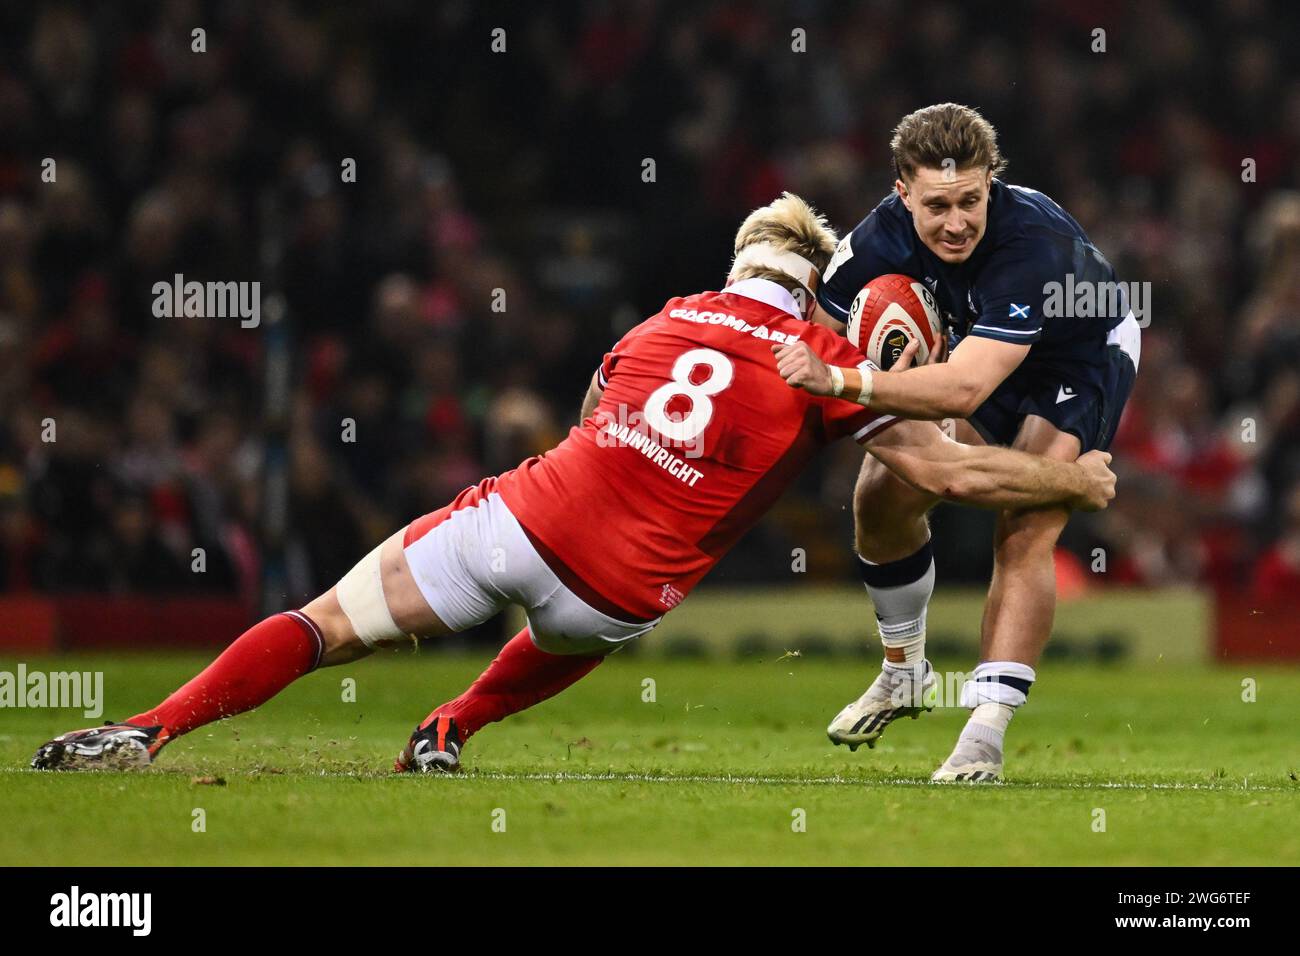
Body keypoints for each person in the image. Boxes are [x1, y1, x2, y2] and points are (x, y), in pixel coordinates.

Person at [31, 192, 1115, 773]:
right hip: (621, 595)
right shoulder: (822, 367)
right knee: (568, 628)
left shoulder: (655, 320)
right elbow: (947, 470)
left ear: (737, 261)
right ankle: (451, 726)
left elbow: (598, 420)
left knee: (324, 623)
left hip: (525, 520)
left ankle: (151, 728)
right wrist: (1068, 480)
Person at [773, 103, 1140, 782]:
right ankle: (905, 673)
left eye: (971, 200)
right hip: (979, 349)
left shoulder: (1031, 244)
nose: (957, 222)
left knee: (1025, 518)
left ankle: (984, 735)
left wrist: (850, 382)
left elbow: (965, 389)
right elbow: (810, 333)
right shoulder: (875, 240)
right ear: (901, 192)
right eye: (937, 205)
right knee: (881, 496)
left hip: (1077, 358)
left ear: (991, 183)